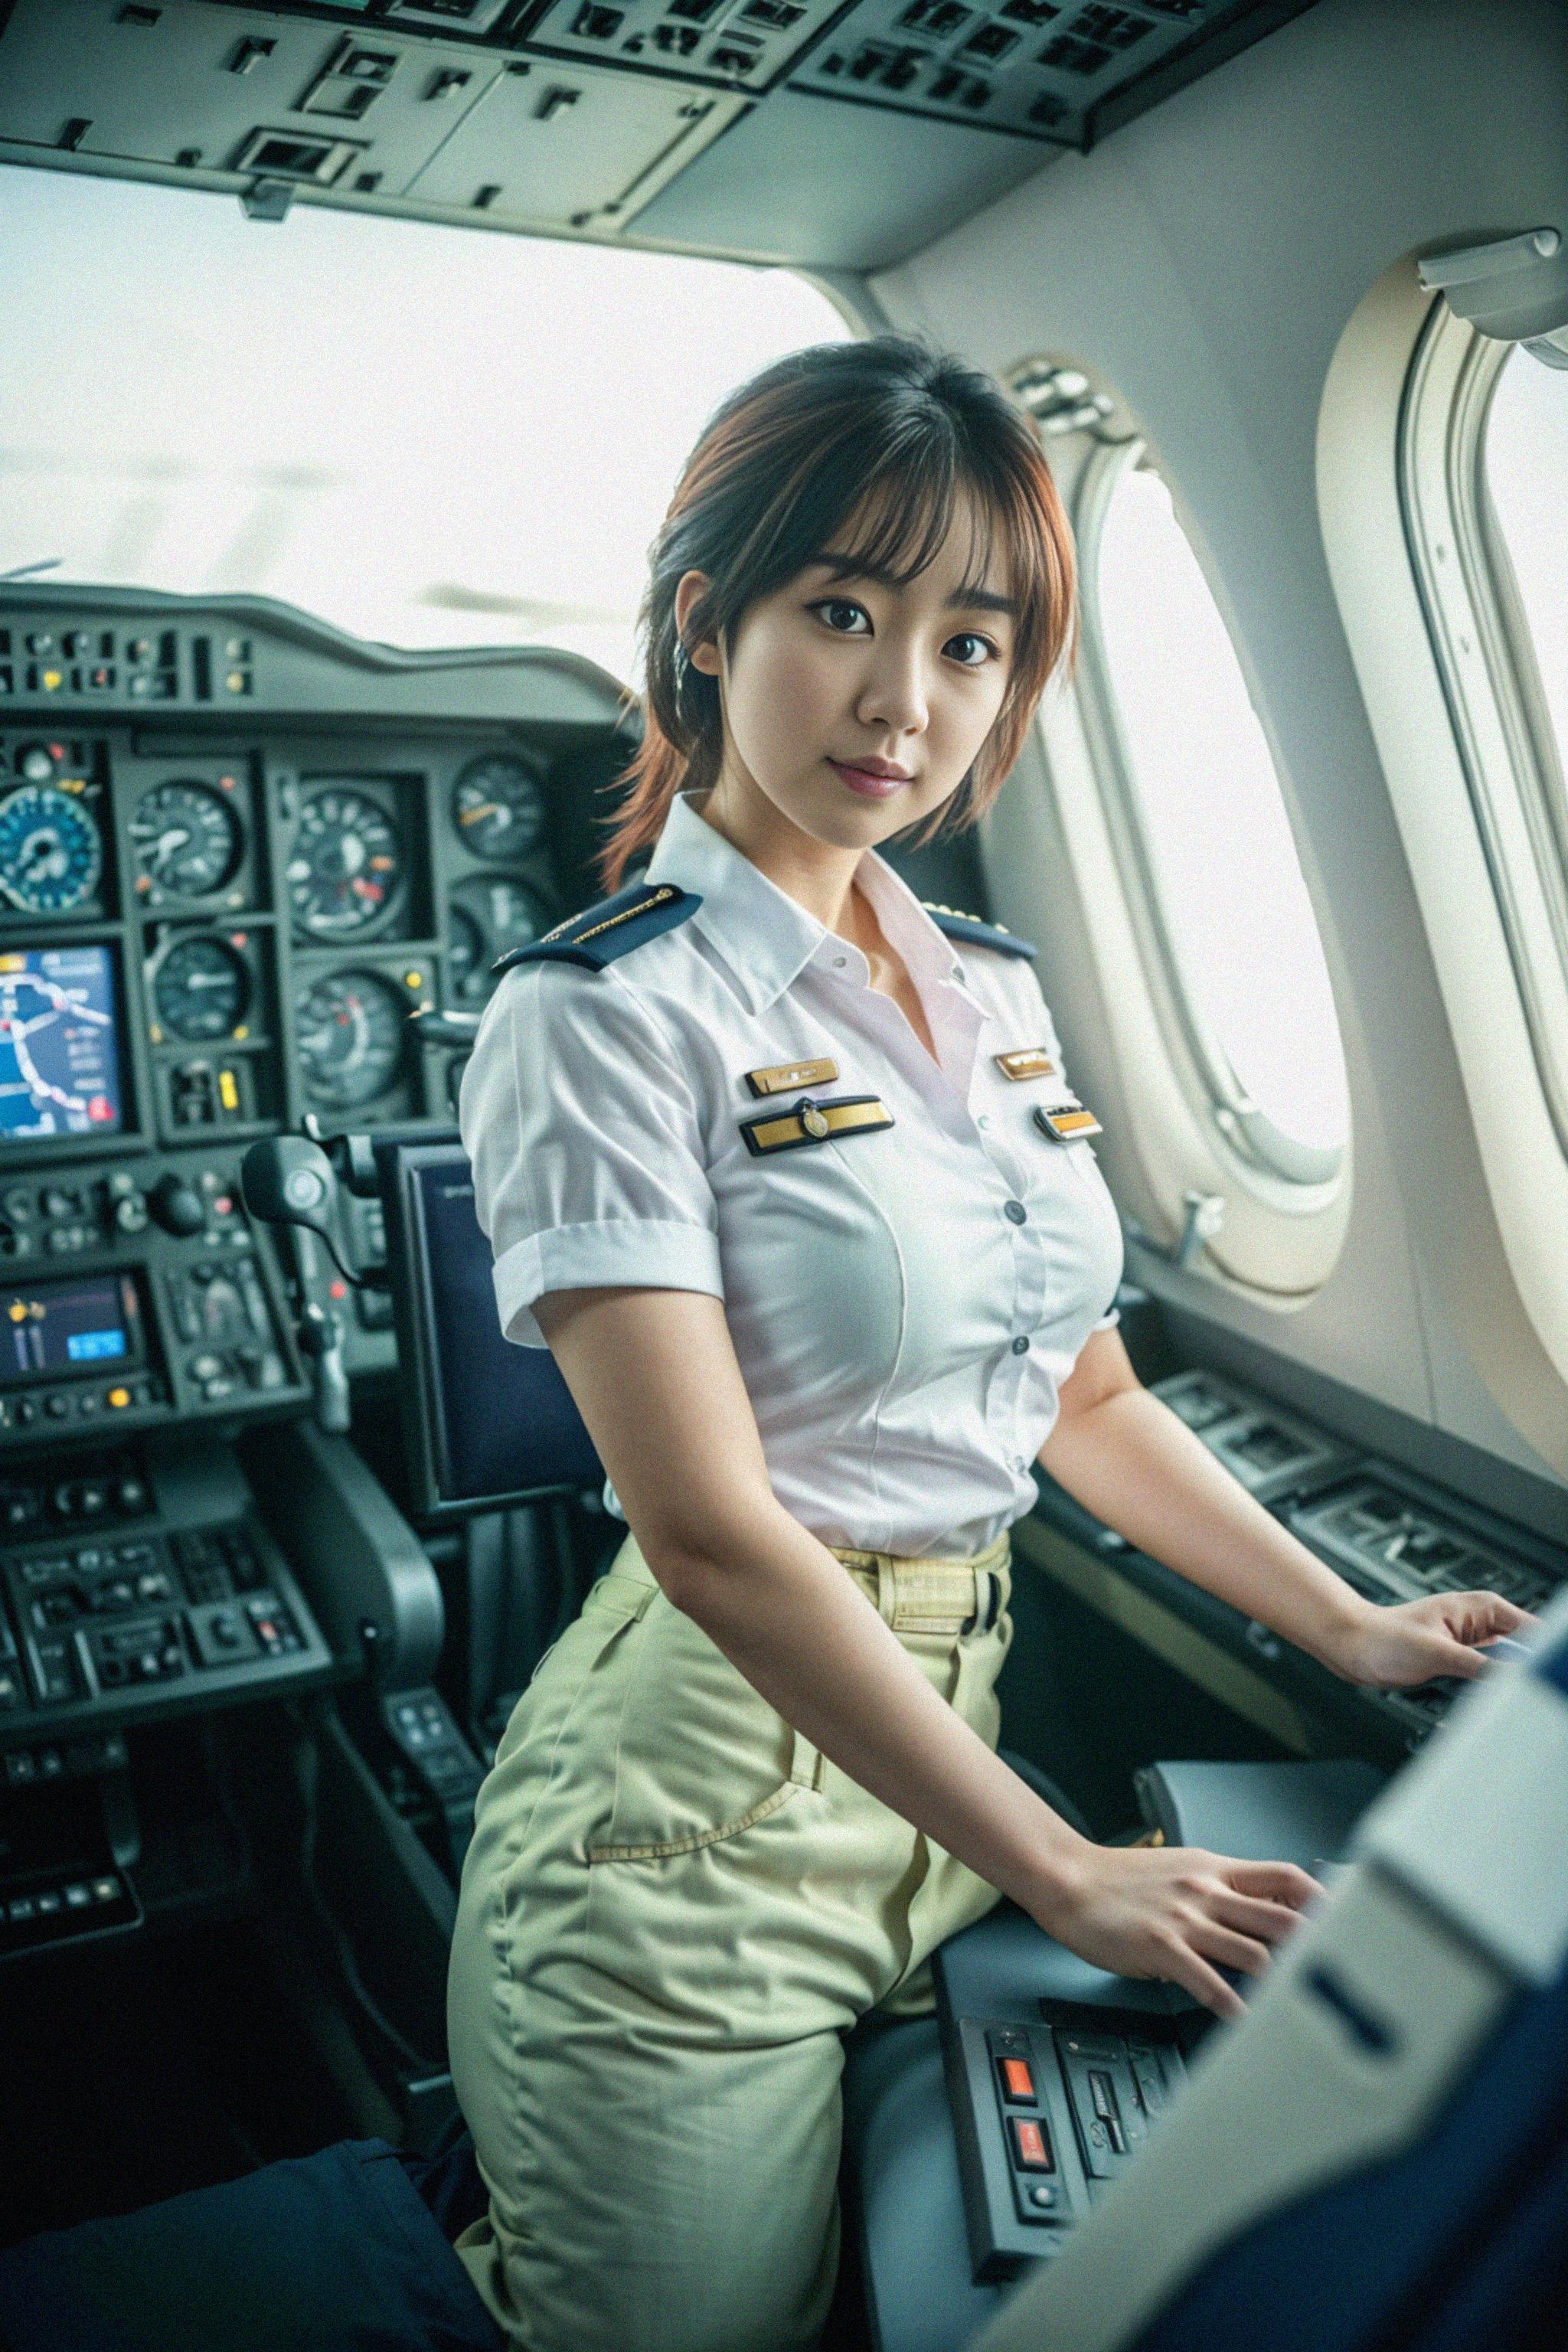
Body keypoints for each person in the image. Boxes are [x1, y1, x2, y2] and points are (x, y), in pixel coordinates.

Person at [449, 335, 1532, 2352]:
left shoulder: (995, 994)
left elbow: (1087, 1398)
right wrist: (1060, 1869)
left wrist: (1349, 1629)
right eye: (841, 611)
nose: (903, 699)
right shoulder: (602, 1014)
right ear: (709, 625)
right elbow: (703, 1531)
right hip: (686, 1830)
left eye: (971, 640)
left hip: (943, 1755)